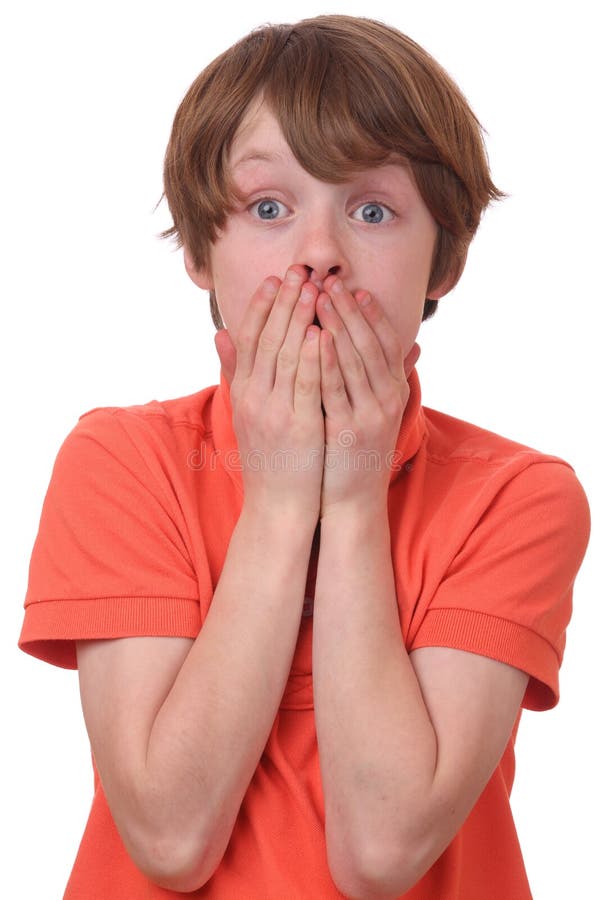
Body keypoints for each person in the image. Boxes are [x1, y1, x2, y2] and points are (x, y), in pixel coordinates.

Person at [18, 14, 590, 899]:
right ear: (203, 250)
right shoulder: (120, 460)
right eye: (270, 209)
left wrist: (353, 502)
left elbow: (384, 854)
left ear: (442, 261)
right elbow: (170, 837)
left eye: (372, 210)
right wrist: (284, 506)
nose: (320, 254)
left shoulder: (518, 496)